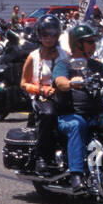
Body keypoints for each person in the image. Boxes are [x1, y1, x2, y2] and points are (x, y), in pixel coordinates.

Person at [52, 23, 103, 193]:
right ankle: (76, 175)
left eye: (94, 41)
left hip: (96, 113)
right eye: (89, 42)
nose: (93, 45)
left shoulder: (97, 65)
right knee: (77, 125)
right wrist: (71, 83)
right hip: (70, 114)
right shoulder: (65, 64)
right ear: (77, 44)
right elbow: (60, 81)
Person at [21, 16, 61, 174]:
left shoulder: (65, 54)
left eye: (52, 34)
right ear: (39, 35)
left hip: (62, 95)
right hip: (42, 97)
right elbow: (24, 83)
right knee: (49, 114)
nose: (49, 38)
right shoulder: (34, 56)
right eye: (45, 34)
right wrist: (41, 90)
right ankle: (42, 157)